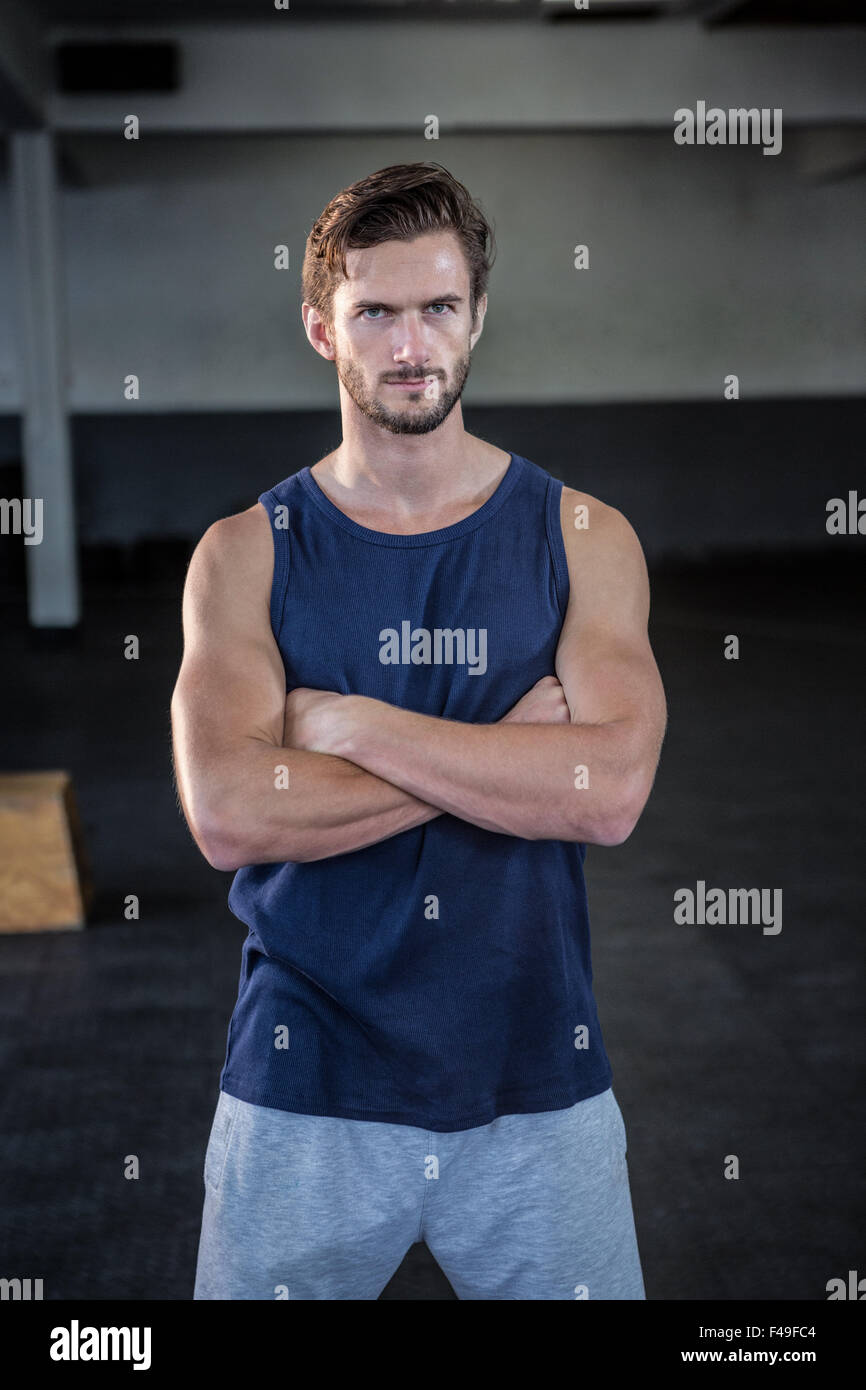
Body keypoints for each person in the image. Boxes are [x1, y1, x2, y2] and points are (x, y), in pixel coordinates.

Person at [171, 162, 667, 1300]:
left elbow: (606, 794)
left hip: (537, 1074)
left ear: (477, 315)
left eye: (438, 307)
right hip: (302, 1085)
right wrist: (506, 750)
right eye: (375, 312)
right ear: (319, 328)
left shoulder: (581, 535)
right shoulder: (245, 553)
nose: (410, 344)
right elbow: (230, 813)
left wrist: (350, 727)